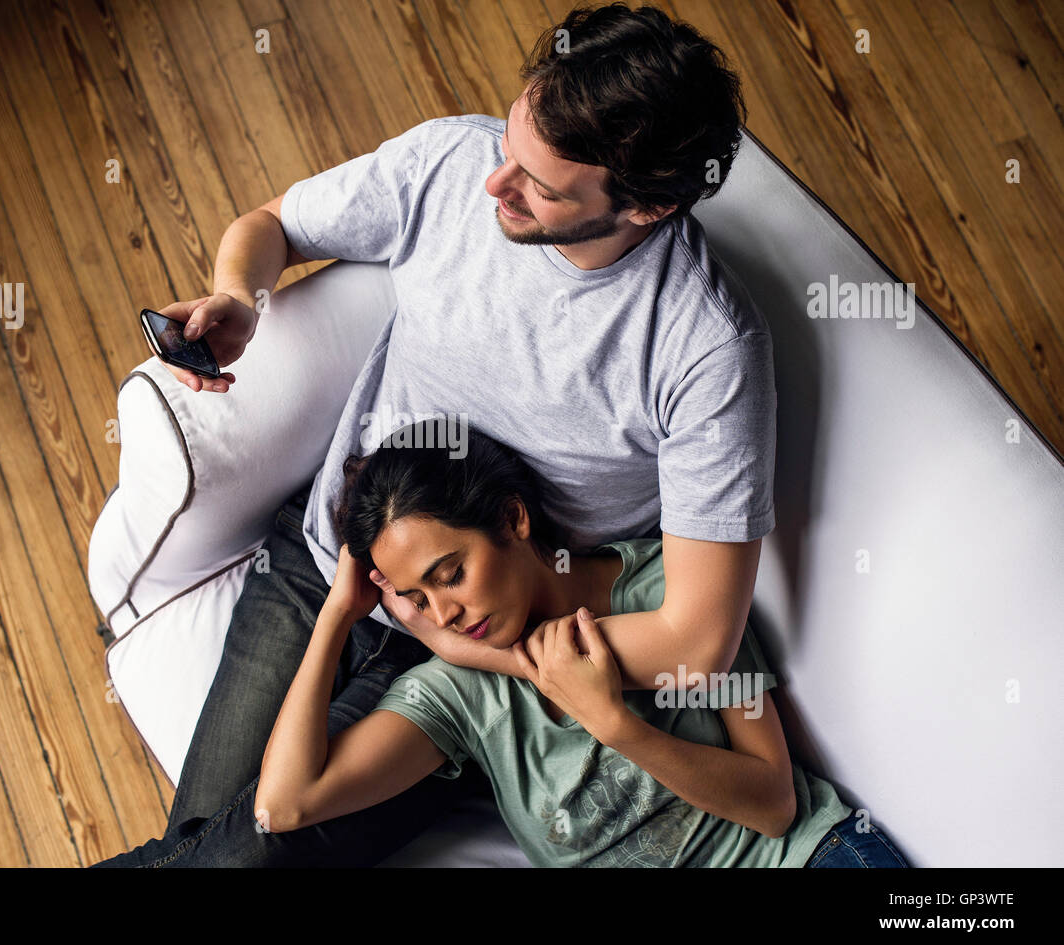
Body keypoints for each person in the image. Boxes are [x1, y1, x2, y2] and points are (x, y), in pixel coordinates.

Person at [98, 3, 778, 866]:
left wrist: (503, 656)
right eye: (510, 146)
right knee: (199, 847)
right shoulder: (453, 164)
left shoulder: (707, 349)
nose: (496, 186)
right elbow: (270, 226)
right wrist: (240, 298)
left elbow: (695, 637)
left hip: (478, 639)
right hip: (324, 563)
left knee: (238, 855)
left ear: (648, 206)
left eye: (540, 185)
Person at [99, 426, 909, 866]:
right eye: (413, 598)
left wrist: (620, 725)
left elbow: (773, 804)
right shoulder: (455, 695)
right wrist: (337, 619)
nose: (445, 614)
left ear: (514, 521)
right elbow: (283, 805)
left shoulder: (669, 596)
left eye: (451, 572)